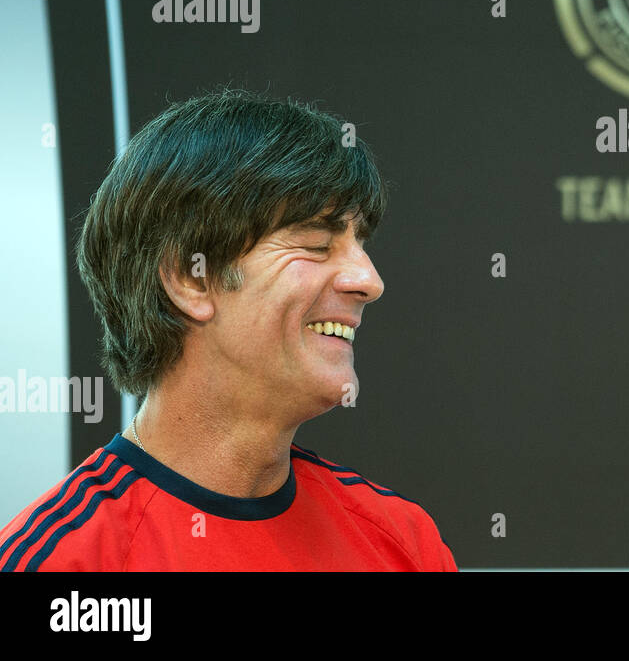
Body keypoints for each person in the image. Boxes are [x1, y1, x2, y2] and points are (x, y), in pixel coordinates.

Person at [0, 89, 456, 570]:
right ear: (190, 278)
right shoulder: (66, 563)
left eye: (360, 245)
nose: (370, 281)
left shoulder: (403, 540)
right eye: (318, 243)